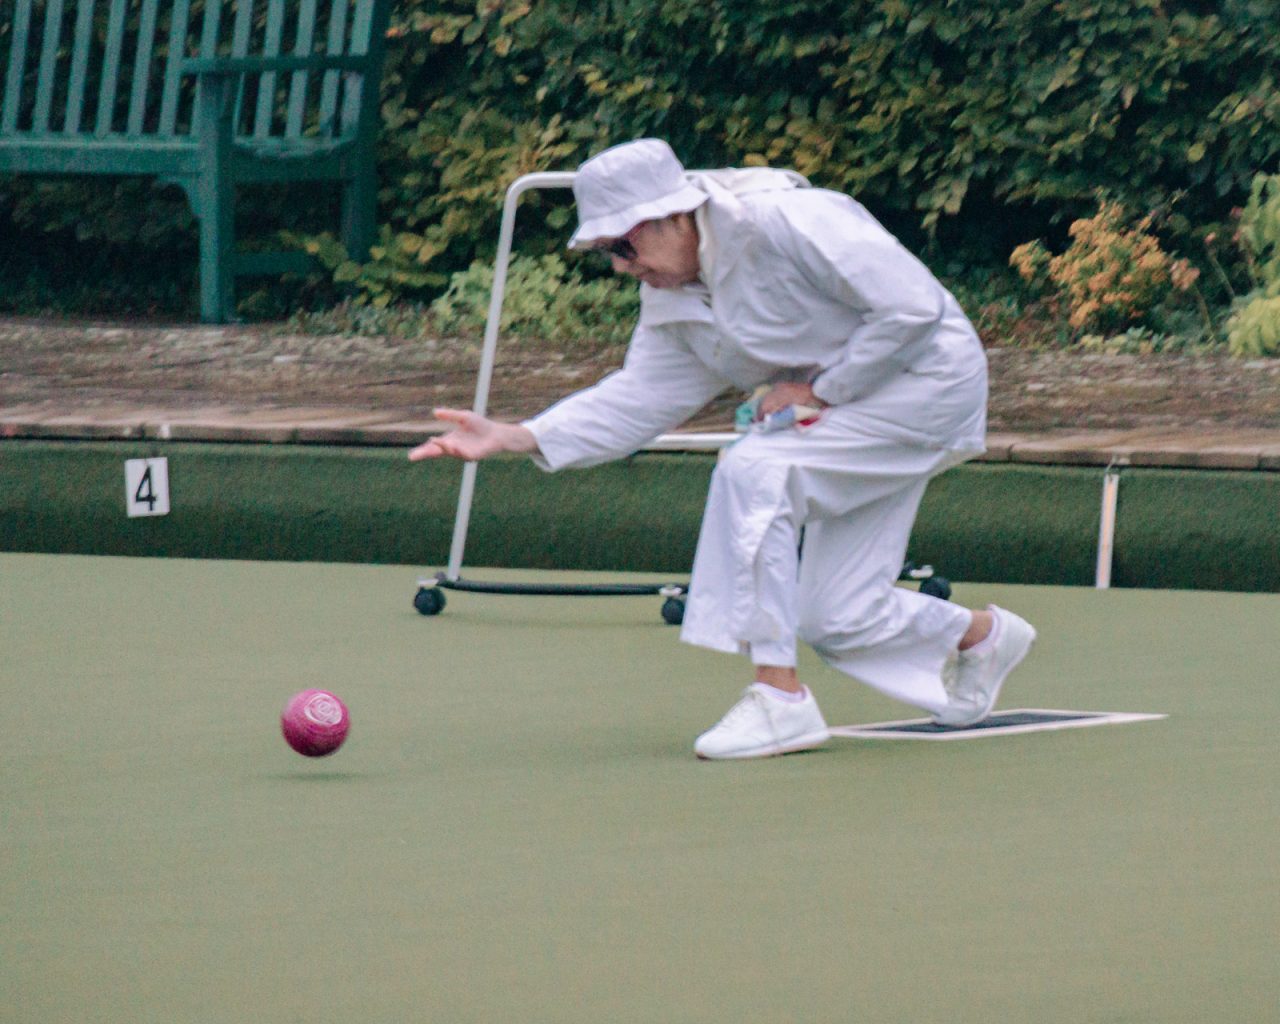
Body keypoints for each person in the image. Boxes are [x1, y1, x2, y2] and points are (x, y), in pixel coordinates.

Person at [410, 138, 1036, 760]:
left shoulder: (792, 219)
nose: (623, 266)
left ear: (674, 214)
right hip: (849, 412)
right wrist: (518, 435)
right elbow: (640, 397)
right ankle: (980, 638)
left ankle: (779, 699)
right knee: (835, 617)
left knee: (754, 468)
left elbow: (912, 308)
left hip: (927, 386)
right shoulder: (671, 299)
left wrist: (820, 388)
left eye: (625, 245)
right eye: (607, 253)